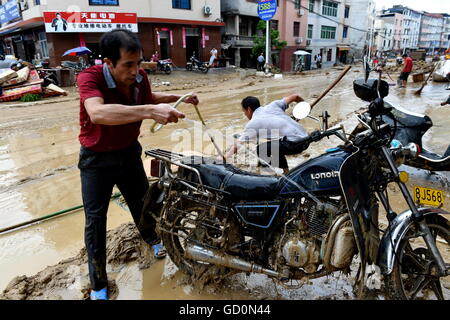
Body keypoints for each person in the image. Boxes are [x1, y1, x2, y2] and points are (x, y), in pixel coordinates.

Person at [77, 29, 199, 300]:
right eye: (128, 65)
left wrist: (178, 97)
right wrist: (149, 111)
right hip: (96, 160)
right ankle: (98, 285)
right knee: (95, 220)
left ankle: (153, 241)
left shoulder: (140, 78)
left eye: (139, 63)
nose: (136, 71)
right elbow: (96, 113)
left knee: (144, 204)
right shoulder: (90, 77)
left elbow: (148, 98)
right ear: (108, 62)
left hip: (129, 153)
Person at [224, 95, 309, 175]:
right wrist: (306, 107)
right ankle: (286, 172)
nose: (245, 114)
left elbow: (237, 145)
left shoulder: (253, 123)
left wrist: (224, 157)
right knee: (273, 145)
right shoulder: (274, 105)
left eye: (244, 111)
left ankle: (273, 176)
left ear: (249, 109)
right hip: (306, 138)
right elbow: (295, 97)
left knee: (261, 149)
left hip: (295, 144)